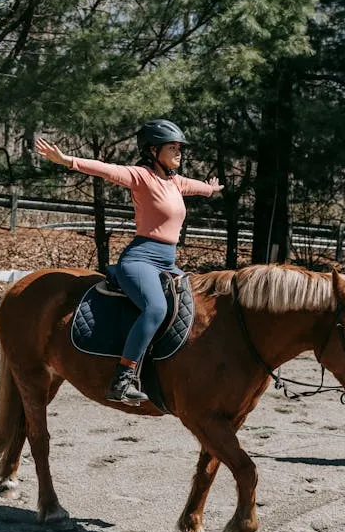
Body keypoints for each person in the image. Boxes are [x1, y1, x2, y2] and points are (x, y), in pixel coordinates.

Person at [35, 119, 223, 405]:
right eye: (172, 147)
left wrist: (210, 189)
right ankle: (123, 378)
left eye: (180, 148)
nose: (179, 152)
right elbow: (106, 170)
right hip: (141, 260)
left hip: (167, 262)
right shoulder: (141, 176)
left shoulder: (175, 182)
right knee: (155, 308)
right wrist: (66, 160)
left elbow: (197, 188)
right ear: (153, 150)